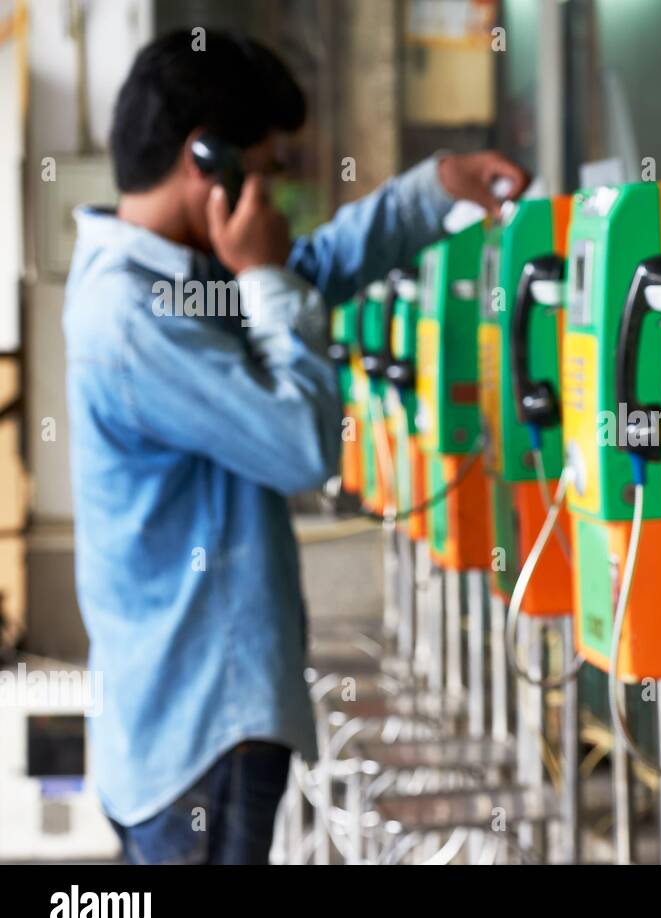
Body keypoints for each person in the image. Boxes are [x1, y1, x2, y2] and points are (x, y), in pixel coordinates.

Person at [63, 27, 528, 864]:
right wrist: (266, 279)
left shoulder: (175, 282)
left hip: (192, 730)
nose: (274, 197)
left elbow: (308, 267)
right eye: (268, 171)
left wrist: (432, 192)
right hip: (200, 735)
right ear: (209, 163)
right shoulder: (134, 318)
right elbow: (303, 440)